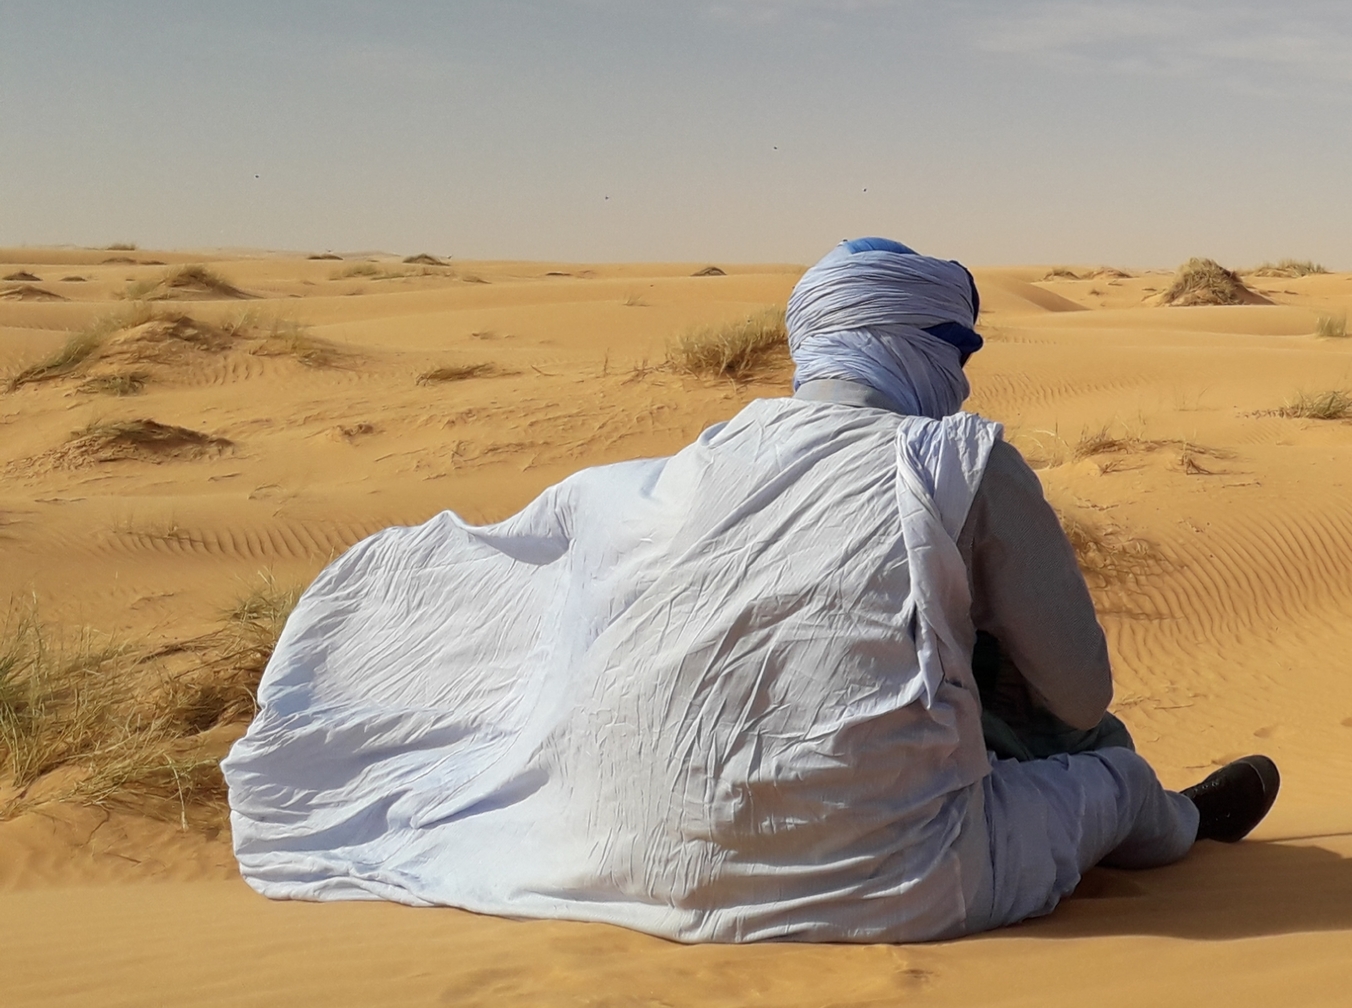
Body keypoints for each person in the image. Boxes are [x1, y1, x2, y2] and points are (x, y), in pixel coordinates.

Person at [223, 238, 1280, 942]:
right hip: (892, 880)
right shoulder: (955, 459)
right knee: (1107, 778)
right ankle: (1180, 819)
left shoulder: (672, 474)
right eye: (955, 346)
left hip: (608, 863)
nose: (961, 371)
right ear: (919, 345)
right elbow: (1079, 693)